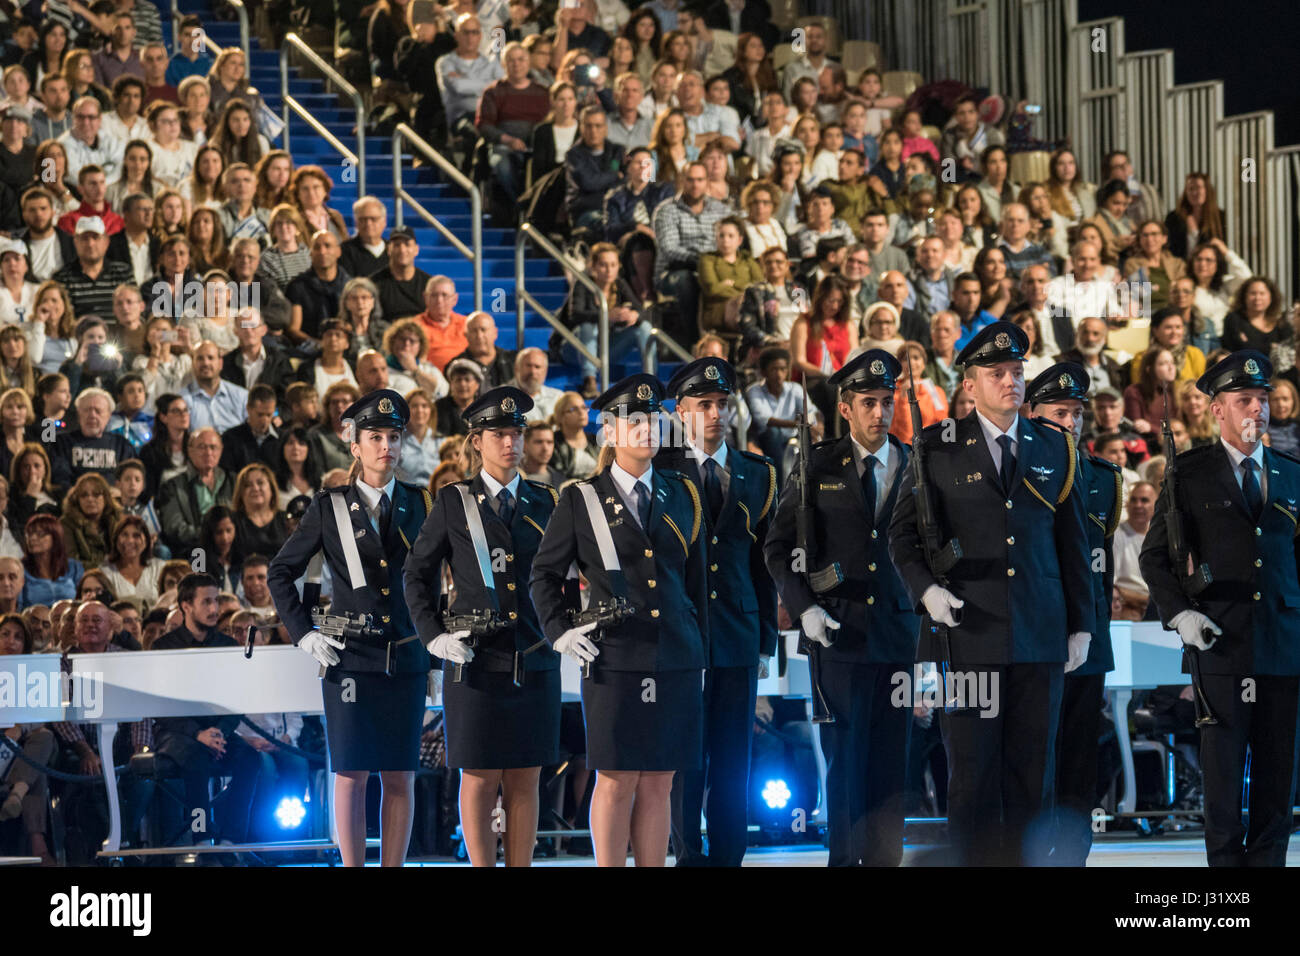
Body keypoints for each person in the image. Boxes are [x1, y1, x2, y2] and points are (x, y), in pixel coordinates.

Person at [888, 321, 1095, 866]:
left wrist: (1082, 624)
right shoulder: (938, 447)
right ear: (970, 386)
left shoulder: (1056, 445)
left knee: (1033, 773)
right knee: (973, 775)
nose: (1010, 381)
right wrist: (926, 589)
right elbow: (901, 535)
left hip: (1039, 633)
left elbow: (1073, 543)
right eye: (996, 372)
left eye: (1017, 371)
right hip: (968, 635)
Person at [529, 373, 707, 867]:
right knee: (616, 775)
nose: (646, 428)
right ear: (609, 432)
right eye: (634, 421)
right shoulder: (579, 498)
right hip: (615, 657)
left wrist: (702, 649)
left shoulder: (683, 493)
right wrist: (560, 631)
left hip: (676, 653)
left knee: (660, 777)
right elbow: (544, 575)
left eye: (652, 419)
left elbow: (696, 585)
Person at [1140, 351, 1300, 867]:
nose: (1258, 409)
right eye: (1244, 400)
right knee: (1224, 791)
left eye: (1263, 399)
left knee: (1278, 788)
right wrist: (1181, 614)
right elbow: (1155, 557)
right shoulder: (1190, 474)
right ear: (1217, 410)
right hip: (1221, 648)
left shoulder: (1292, 474)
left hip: (1282, 649)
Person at [764, 348, 920, 865]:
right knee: (845, 762)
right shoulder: (817, 463)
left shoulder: (916, 464)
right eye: (868, 403)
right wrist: (804, 606)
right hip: (839, 635)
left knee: (890, 766)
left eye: (886, 401)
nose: (880, 412)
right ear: (846, 409)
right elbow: (777, 546)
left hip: (899, 636)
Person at [268, 389, 434, 867]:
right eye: (375, 436)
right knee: (351, 772)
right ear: (355, 445)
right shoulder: (328, 506)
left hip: (405, 656)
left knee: (401, 773)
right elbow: (281, 572)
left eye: (394, 436)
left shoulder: (421, 503)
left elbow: (435, 580)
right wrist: (304, 633)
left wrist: (436, 652)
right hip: (350, 659)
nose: (387, 445)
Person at [404, 385, 561, 866]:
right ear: (476, 441)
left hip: (533, 656)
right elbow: (416, 574)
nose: (510, 443)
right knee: (479, 775)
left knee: (526, 776)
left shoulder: (547, 499)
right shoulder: (453, 502)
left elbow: (564, 575)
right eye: (499, 434)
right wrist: (434, 637)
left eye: (517, 432)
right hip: (473, 659)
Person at [655, 357, 776, 866]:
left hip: (736, 631)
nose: (715, 413)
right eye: (703, 404)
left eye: (722, 404)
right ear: (680, 411)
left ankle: (730, 858)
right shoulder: (660, 471)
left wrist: (767, 640)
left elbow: (764, 563)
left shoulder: (757, 472)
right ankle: (686, 854)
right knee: (685, 759)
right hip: (680, 635)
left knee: (733, 760)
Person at [1026, 362, 1122, 866]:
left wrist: (1093, 628)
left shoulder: (1104, 478)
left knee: (1078, 761)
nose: (1071, 421)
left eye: (1077, 413)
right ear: (1033, 413)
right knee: (1034, 761)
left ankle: (1073, 858)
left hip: (1089, 641)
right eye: (1060, 411)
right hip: (1035, 633)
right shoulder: (1022, 466)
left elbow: (1099, 567)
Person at [151, 572, 262, 847]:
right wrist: (197, 733)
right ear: (186, 606)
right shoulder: (163, 647)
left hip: (217, 731)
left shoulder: (226, 646)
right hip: (175, 732)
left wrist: (219, 732)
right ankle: (202, 840)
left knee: (250, 758)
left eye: (216, 601)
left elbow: (237, 699)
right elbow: (160, 705)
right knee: (195, 755)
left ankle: (230, 840)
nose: (214, 609)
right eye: (206, 602)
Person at [559, 242, 651, 398]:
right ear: (593, 267)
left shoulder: (620, 284)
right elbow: (574, 316)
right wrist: (606, 316)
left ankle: (650, 379)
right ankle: (590, 381)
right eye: (603, 265)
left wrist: (635, 315)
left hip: (604, 349)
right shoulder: (583, 283)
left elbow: (642, 311)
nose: (609, 270)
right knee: (588, 326)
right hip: (574, 348)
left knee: (645, 327)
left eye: (613, 265)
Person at [155, 427, 233, 554]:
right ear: (189, 451)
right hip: (194, 550)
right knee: (200, 567)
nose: (208, 452)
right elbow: (174, 528)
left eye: (213, 447)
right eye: (202, 447)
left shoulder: (233, 481)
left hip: (231, 550)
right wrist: (211, 536)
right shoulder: (172, 486)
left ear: (221, 451)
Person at [52, 386, 134, 489]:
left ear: (108, 416)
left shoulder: (122, 445)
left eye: (98, 411)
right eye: (87, 410)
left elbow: (131, 477)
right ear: (79, 414)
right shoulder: (62, 442)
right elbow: (60, 479)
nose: (92, 415)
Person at [97, 513, 161, 604]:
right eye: (124, 535)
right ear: (116, 540)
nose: (130, 541)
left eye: (136, 536)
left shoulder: (159, 568)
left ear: (146, 541)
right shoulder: (104, 572)